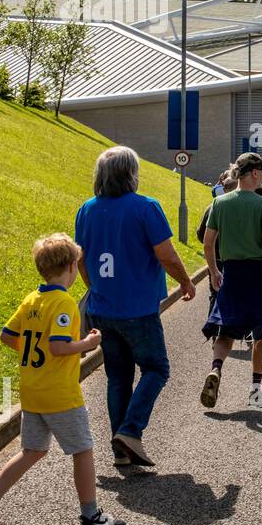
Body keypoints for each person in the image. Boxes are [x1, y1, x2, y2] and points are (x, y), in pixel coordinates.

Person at [0, 233, 126, 525]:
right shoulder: (63, 302)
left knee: (32, 451)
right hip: (60, 393)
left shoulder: (32, 299)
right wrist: (89, 344)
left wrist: (34, 350)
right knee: (83, 450)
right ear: (70, 267)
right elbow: (59, 347)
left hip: (33, 390)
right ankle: (91, 516)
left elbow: (7, 336)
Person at [75, 146, 196, 468]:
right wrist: (186, 281)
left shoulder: (86, 210)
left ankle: (120, 450)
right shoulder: (146, 208)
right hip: (139, 309)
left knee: (118, 378)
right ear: (131, 174)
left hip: (103, 308)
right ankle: (130, 431)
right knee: (156, 369)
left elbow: (81, 259)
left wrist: (95, 288)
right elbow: (167, 255)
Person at [200, 153, 262, 410]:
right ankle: (256, 391)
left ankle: (216, 369)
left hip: (232, 274)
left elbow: (208, 242)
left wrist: (214, 270)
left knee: (226, 329)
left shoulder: (220, 203)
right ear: (254, 173)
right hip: (257, 273)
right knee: (261, 333)